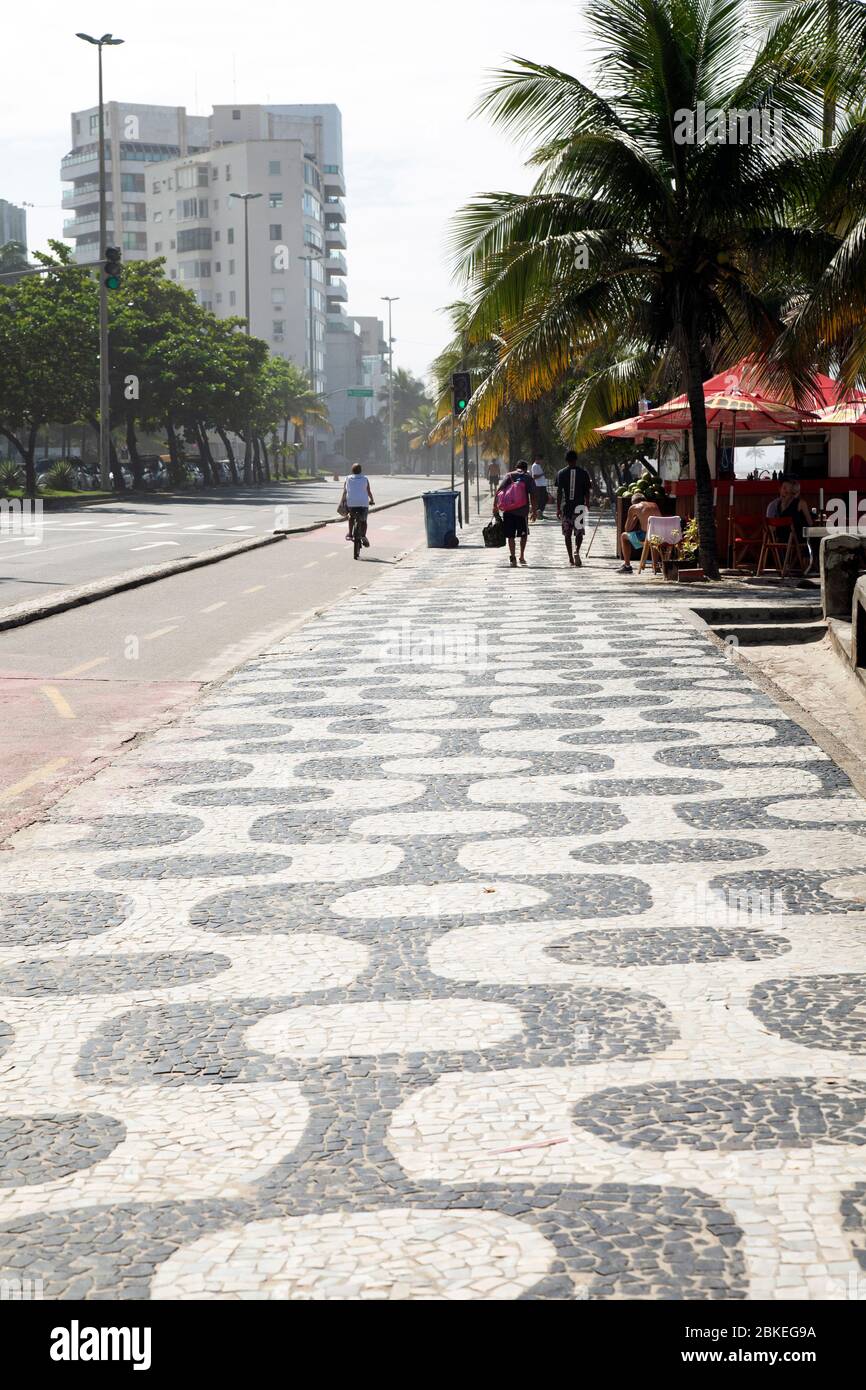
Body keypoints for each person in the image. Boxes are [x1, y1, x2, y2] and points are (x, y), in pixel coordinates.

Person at [494, 459, 538, 568]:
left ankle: (512, 556)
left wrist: (494, 506)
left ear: (516, 467)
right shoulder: (528, 478)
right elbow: (532, 495)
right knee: (523, 534)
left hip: (508, 511)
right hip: (522, 512)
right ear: (526, 468)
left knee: (510, 535)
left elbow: (499, 490)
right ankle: (521, 555)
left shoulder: (509, 476)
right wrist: (534, 511)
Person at [556, 450, 593, 567]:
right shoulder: (583, 473)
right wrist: (587, 503)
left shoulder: (561, 473)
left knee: (567, 534)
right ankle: (577, 550)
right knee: (579, 532)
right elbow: (587, 490)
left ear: (566, 460)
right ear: (576, 460)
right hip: (579, 507)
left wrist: (558, 508)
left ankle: (571, 558)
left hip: (567, 508)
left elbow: (559, 492)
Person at [618, 491, 661, 573]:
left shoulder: (634, 507)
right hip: (661, 535)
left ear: (633, 502)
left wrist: (635, 517)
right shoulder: (654, 504)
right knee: (654, 534)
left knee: (623, 536)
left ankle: (627, 566)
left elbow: (627, 529)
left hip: (647, 537)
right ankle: (655, 565)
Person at [340, 463, 375, 552]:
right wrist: (372, 500)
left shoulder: (347, 478)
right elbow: (368, 491)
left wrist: (343, 501)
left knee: (351, 517)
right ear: (361, 471)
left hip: (351, 503)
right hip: (363, 503)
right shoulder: (365, 479)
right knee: (364, 521)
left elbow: (345, 491)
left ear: (352, 471)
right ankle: (363, 535)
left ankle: (350, 534)